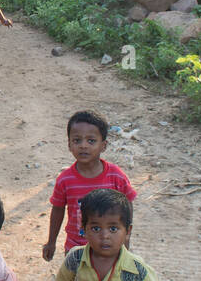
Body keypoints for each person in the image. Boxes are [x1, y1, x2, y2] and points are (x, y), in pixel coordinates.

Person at [43, 110, 137, 258]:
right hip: (76, 248)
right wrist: (51, 242)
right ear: (69, 145)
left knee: (110, 280)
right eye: (77, 140)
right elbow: (58, 210)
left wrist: (125, 237)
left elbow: (128, 205)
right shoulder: (65, 180)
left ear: (103, 145)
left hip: (110, 246)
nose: (83, 146)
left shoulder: (116, 176)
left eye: (91, 141)